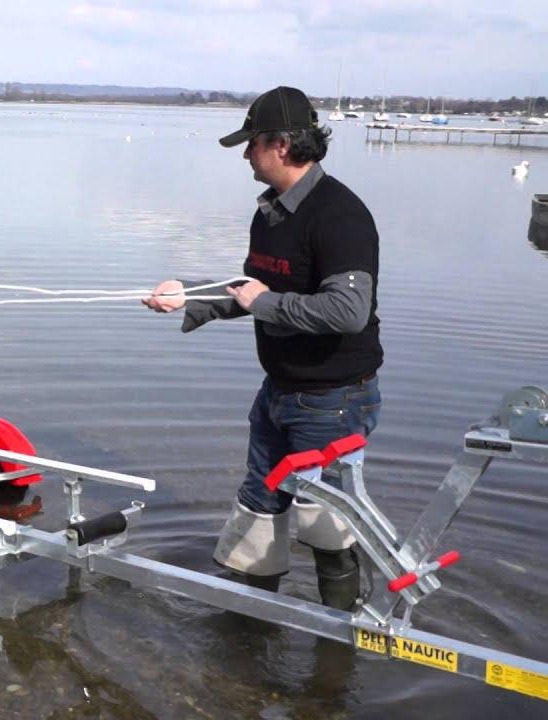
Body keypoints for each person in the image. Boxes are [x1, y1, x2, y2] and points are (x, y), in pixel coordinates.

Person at [141, 86, 383, 611]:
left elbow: (347, 312)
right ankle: (248, 642)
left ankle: (339, 641)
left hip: (333, 401)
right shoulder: (270, 213)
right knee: (259, 511)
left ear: (281, 144)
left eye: (251, 143)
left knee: (328, 529)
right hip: (280, 391)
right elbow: (249, 290)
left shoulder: (339, 216)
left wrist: (267, 303)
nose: (246, 155)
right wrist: (188, 296)